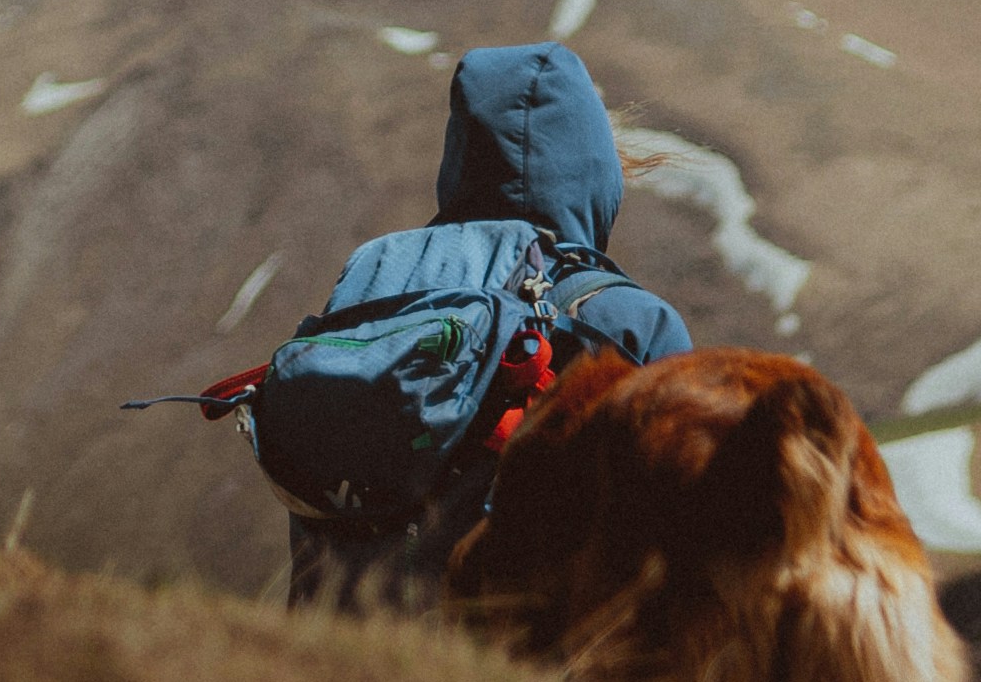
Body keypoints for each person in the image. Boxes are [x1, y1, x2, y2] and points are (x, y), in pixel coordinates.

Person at [282, 42, 693, 613]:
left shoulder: (376, 271)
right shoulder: (628, 320)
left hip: (336, 641)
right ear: (595, 169)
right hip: (520, 665)